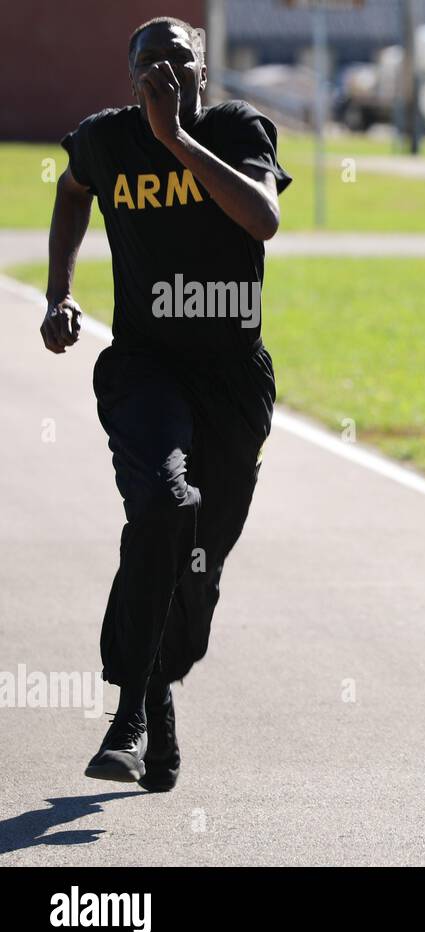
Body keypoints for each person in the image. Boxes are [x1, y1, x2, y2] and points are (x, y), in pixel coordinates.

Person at [42, 16, 291, 790]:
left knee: (197, 567)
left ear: (203, 73)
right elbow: (72, 189)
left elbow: (263, 218)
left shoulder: (235, 128)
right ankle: (127, 712)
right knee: (162, 502)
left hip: (232, 380)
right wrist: (60, 295)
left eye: (179, 58)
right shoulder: (107, 139)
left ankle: (157, 690)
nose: (165, 69)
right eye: (149, 60)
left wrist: (178, 138)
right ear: (131, 75)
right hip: (146, 368)